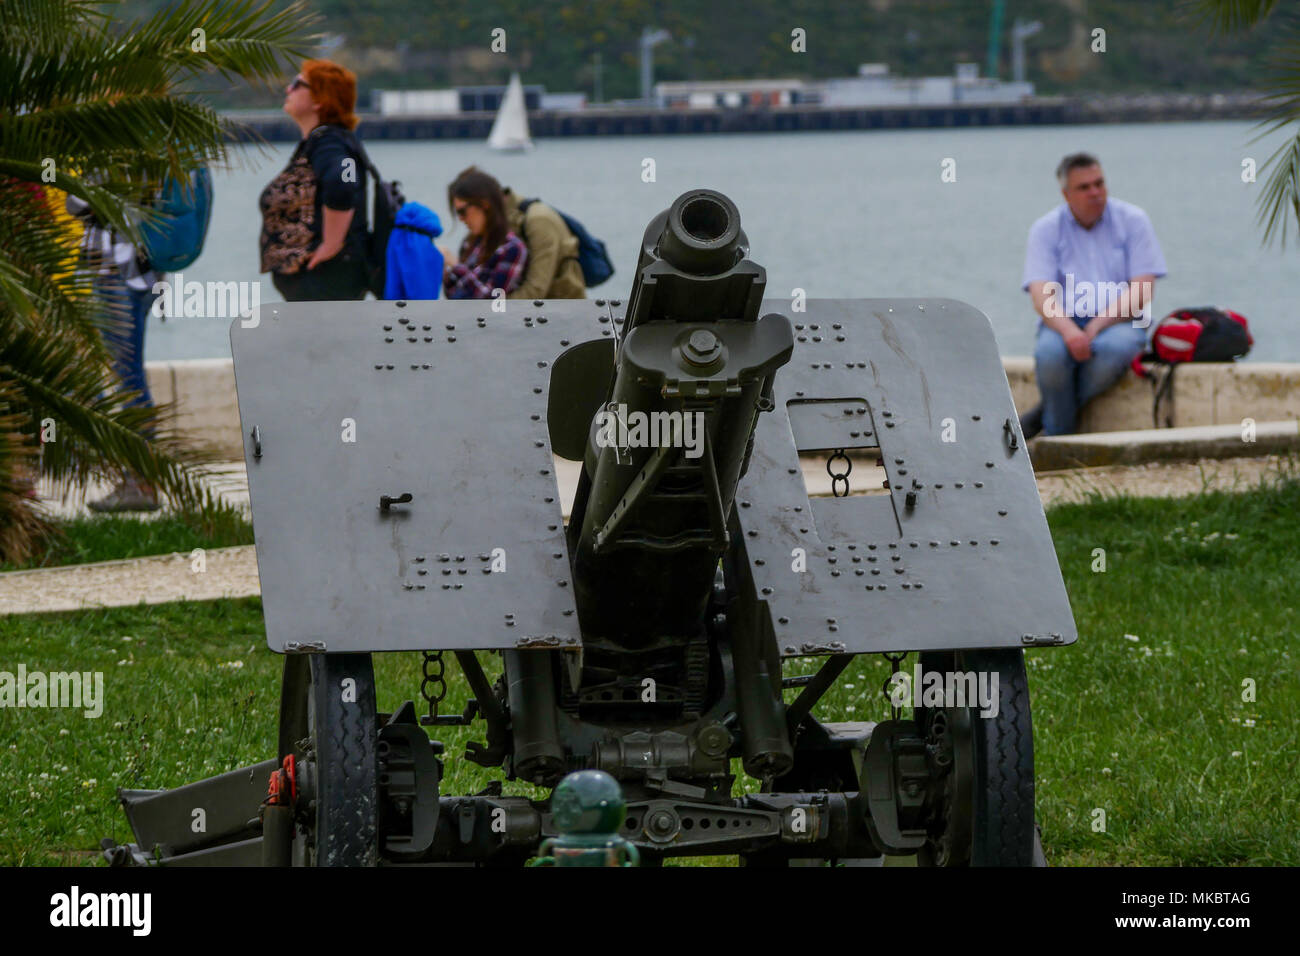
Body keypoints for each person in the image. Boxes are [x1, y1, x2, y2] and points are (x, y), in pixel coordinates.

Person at [1020, 153, 1167, 437]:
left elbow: (1143, 288)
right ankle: (1057, 431)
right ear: (1066, 194)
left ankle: (1049, 426)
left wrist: (1097, 325)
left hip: (1121, 321)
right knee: (1050, 356)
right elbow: (1041, 295)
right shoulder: (1045, 229)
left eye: (1099, 184)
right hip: (1063, 321)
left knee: (1112, 351)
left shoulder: (1134, 220)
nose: (1095, 192)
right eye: (1084, 187)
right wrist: (1070, 331)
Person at [66, 188, 162, 511]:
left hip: (118, 273)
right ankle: (138, 479)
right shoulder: (151, 151)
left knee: (128, 378)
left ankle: (141, 483)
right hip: (135, 273)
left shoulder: (120, 153)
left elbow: (76, 201)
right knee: (127, 375)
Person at [259, 60, 369, 302]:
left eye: (297, 84)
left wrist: (331, 244)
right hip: (320, 285)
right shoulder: (324, 142)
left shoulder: (330, 142)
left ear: (320, 99)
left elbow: (344, 181)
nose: (288, 89)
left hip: (326, 283)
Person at [443, 167, 527, 300]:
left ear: (484, 204)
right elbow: (455, 296)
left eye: (462, 211)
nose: (460, 218)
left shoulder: (513, 248)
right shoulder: (468, 244)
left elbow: (492, 300)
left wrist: (454, 265)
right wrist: (445, 273)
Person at [501, 186, 586, 299]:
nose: (468, 221)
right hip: (542, 307)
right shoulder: (511, 215)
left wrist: (495, 310)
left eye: (468, 211)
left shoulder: (538, 220)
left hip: (562, 305)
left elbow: (536, 288)